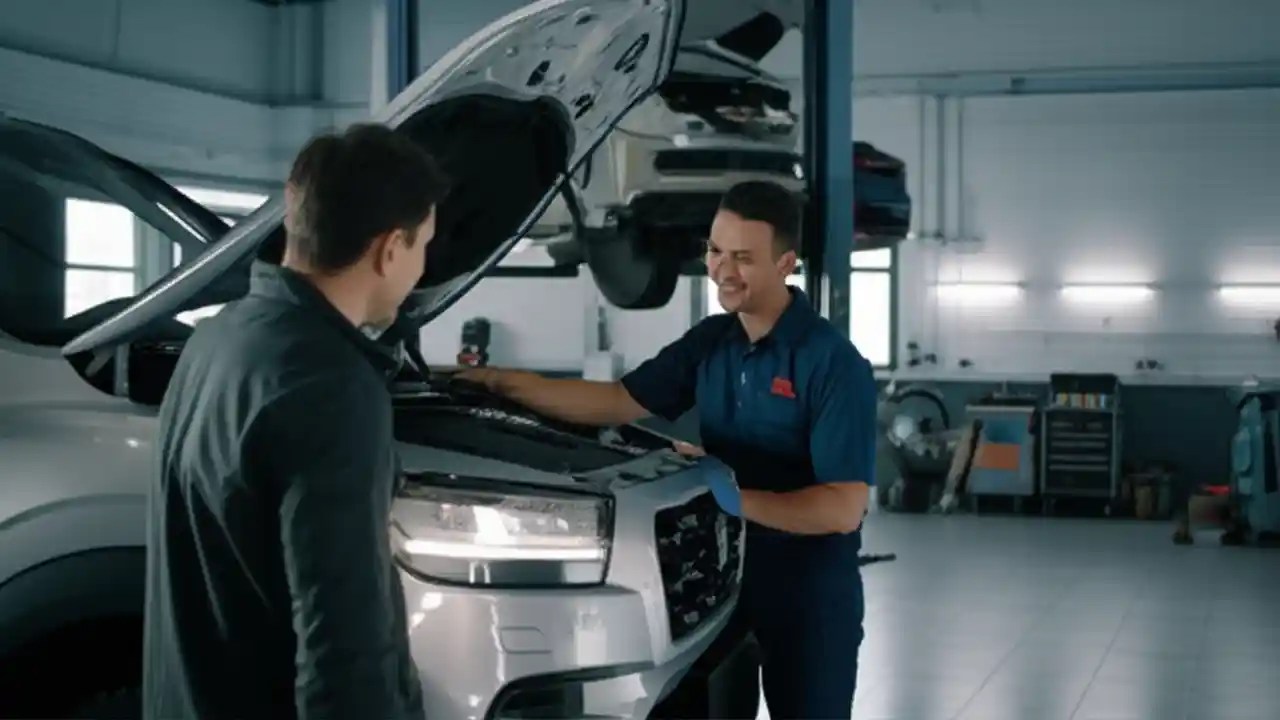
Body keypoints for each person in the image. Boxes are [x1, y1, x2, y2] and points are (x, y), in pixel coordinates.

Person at [459, 180, 876, 719]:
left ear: (786, 263)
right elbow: (614, 400)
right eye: (715, 250)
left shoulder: (833, 365)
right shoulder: (711, 342)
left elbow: (842, 507)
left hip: (808, 592)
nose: (723, 270)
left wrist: (722, 495)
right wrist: (500, 383)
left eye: (744, 258)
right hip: (718, 575)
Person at [143, 123, 449, 720]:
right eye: (423, 246)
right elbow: (342, 644)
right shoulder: (332, 388)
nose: (421, 267)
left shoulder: (217, 338)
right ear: (390, 250)